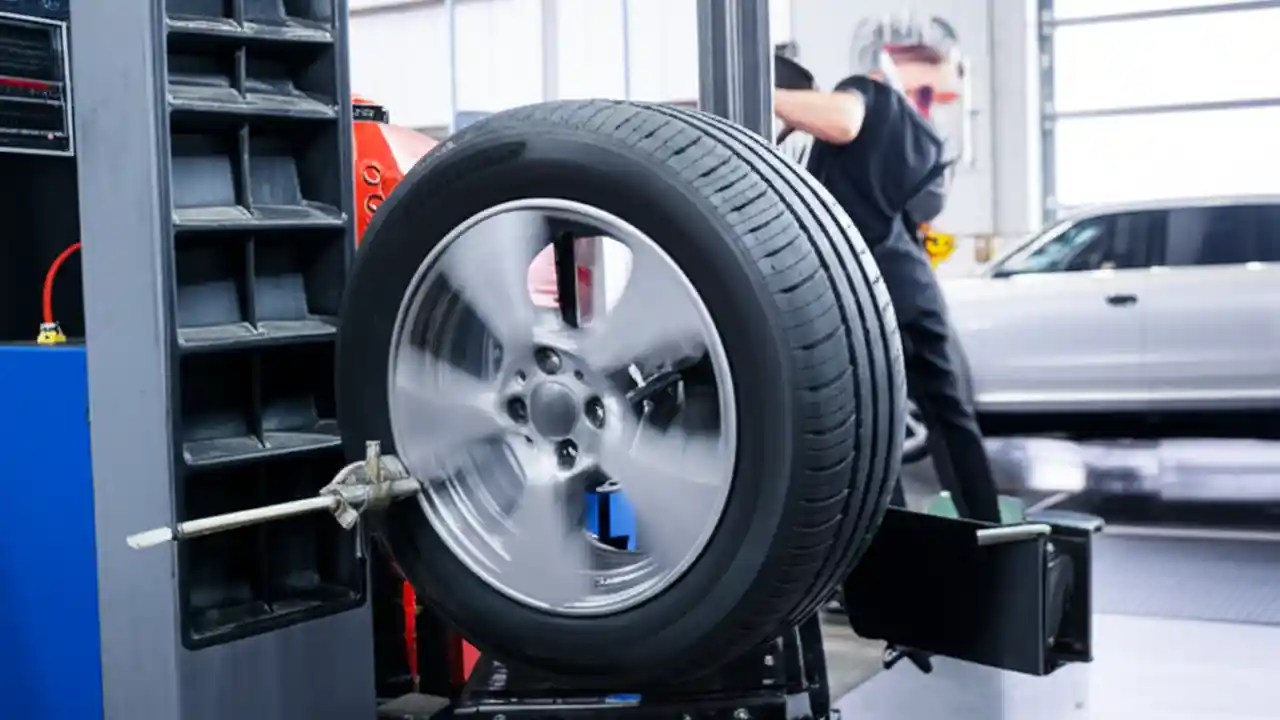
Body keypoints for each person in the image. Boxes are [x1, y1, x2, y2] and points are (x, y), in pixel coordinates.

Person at [772, 50, 1002, 524]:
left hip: (866, 289)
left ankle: (886, 557)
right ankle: (990, 534)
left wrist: (769, 95)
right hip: (915, 288)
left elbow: (844, 122)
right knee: (949, 418)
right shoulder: (928, 140)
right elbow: (922, 211)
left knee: (872, 428)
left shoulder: (869, 90)